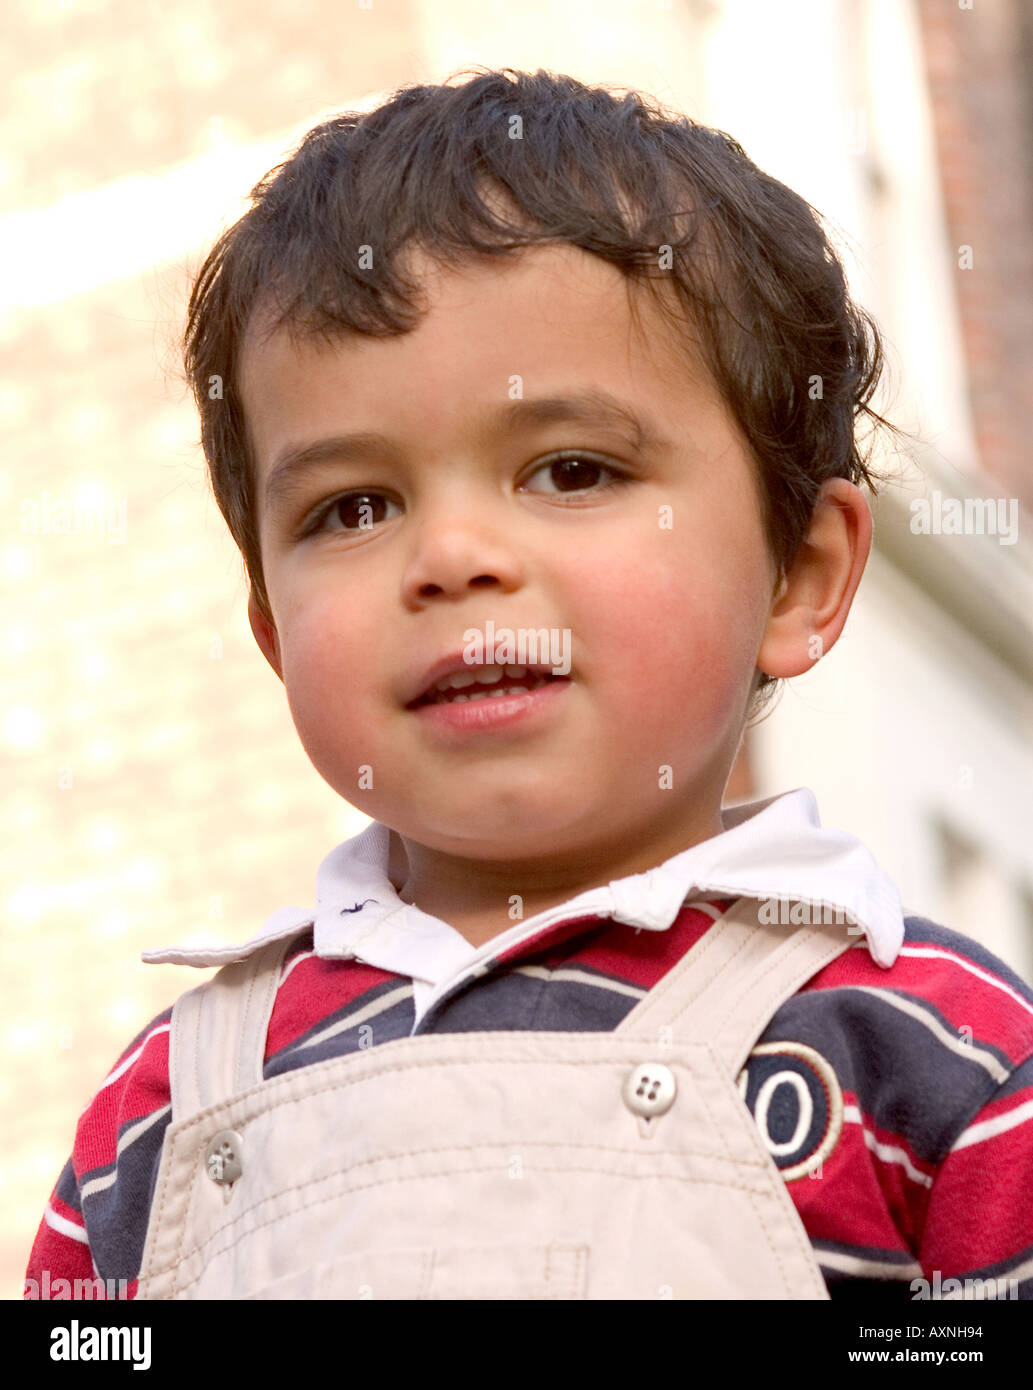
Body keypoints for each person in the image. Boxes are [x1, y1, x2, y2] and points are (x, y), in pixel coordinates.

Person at [25, 67, 1033, 1301]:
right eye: (355, 506)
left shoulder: (935, 1058)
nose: (452, 559)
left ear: (797, 578)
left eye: (570, 471)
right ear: (274, 634)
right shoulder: (163, 1114)